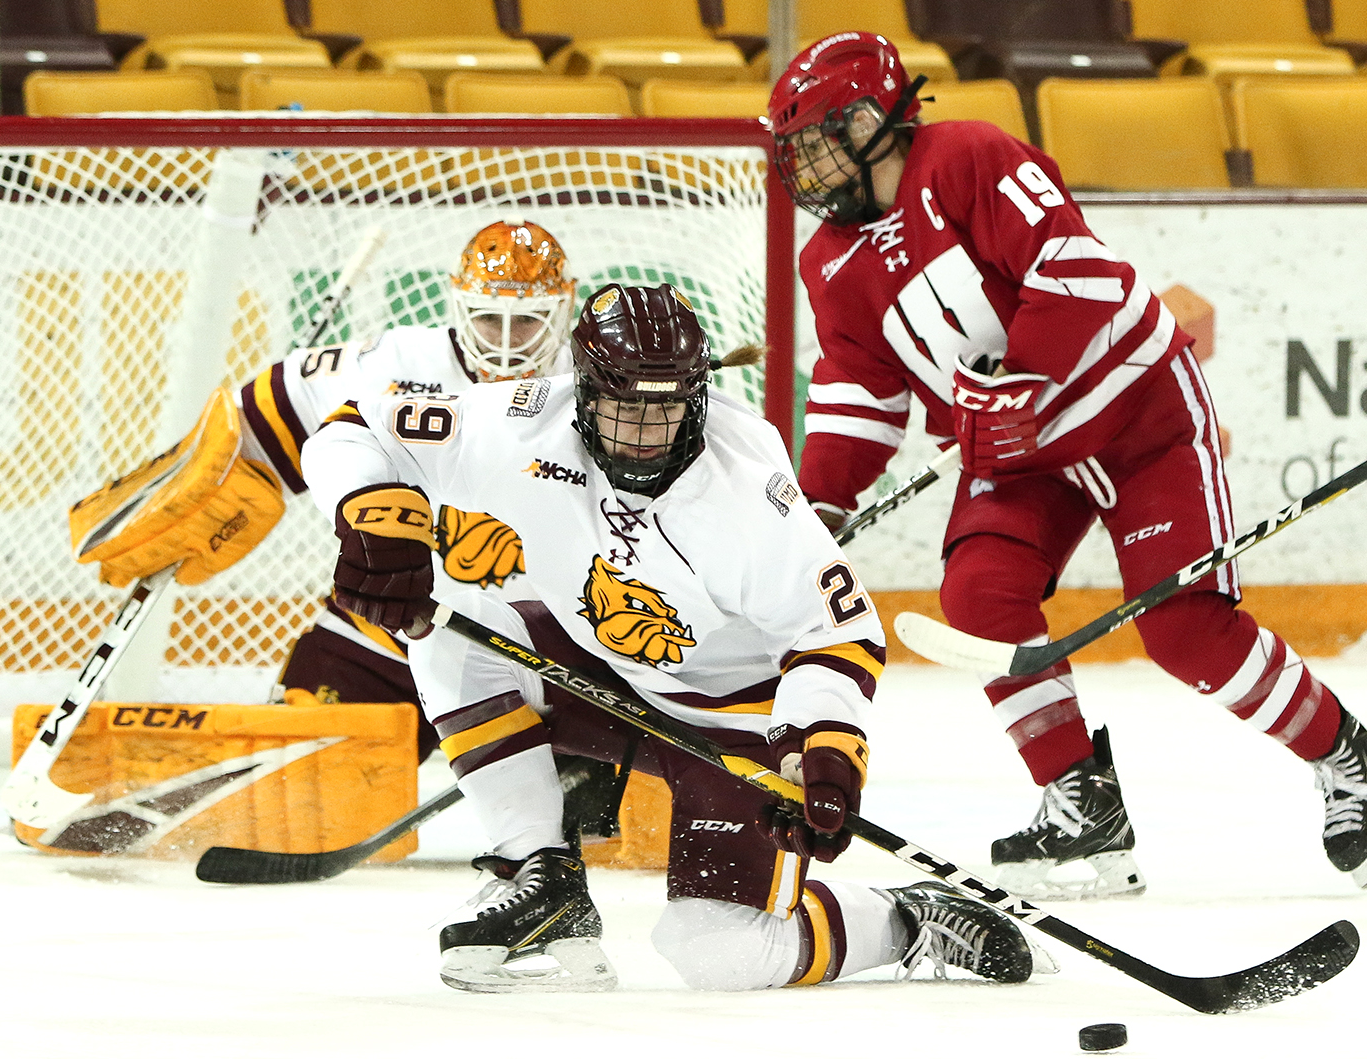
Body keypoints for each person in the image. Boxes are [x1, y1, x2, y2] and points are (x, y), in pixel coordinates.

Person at [769, 32, 1367, 897]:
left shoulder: (966, 157)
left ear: (872, 119)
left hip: (1135, 415)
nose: (805, 168)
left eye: (817, 141)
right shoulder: (830, 261)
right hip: (1026, 452)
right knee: (979, 598)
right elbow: (859, 381)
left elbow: (1073, 269)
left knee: (1185, 632)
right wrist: (824, 501)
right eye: (796, 151)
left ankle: (1352, 759)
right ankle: (1080, 805)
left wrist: (1024, 381)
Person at [298, 282, 1048, 992]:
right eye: (625, 410)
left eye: (667, 411)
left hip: (733, 720)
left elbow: (838, 632)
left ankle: (907, 919)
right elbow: (356, 426)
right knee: (455, 621)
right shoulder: (526, 419)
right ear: (583, 389)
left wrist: (824, 744)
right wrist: (372, 511)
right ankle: (540, 874)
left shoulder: (750, 489)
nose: (647, 435)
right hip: (606, 674)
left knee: (718, 952)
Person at [72, 221, 620, 839]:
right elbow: (262, 413)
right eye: (489, 320)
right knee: (300, 809)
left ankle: (582, 762)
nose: (506, 341)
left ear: (566, 302)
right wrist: (213, 479)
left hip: (549, 649)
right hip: (388, 623)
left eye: (526, 321)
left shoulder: (606, 387)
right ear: (455, 300)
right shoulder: (391, 365)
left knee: (624, 819)